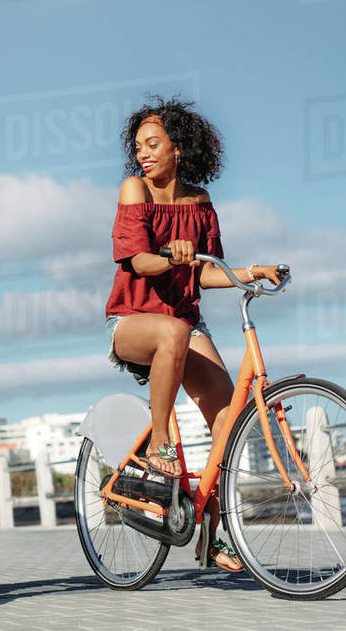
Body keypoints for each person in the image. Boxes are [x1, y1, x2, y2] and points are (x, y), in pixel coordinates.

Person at [104, 98, 285, 573]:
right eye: (138, 146)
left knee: (229, 422)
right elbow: (138, 261)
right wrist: (171, 256)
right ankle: (160, 443)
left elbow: (207, 272)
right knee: (172, 331)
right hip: (132, 319)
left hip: (186, 322)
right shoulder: (134, 189)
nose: (143, 154)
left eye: (153, 144)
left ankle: (213, 535)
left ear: (179, 148)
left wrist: (253, 271)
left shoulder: (200, 202)